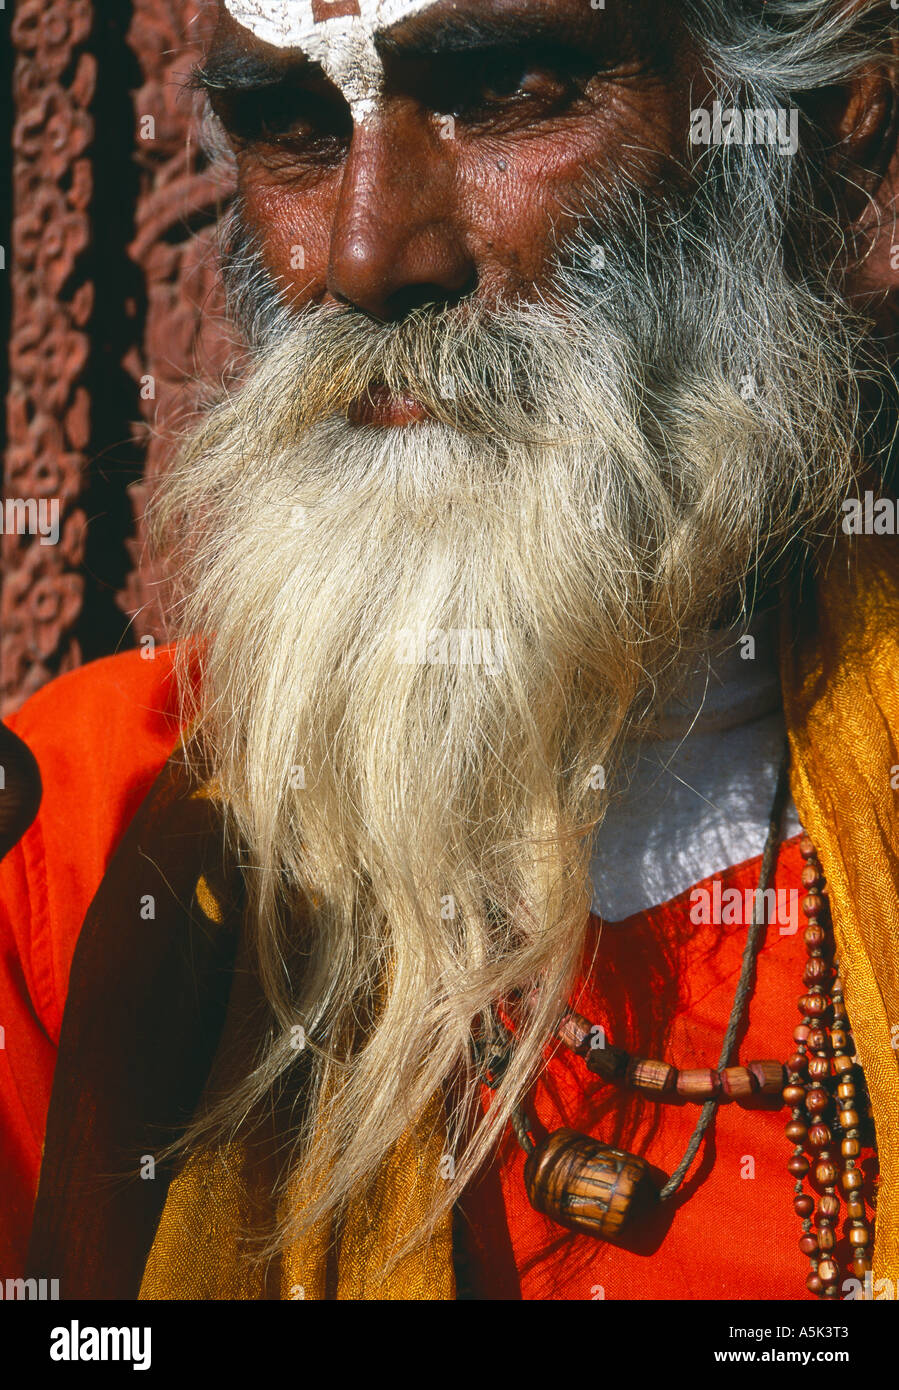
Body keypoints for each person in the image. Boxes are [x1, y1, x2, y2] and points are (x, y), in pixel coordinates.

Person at [2, 0, 899, 1301]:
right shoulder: (92, 840)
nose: (368, 253)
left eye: (507, 88)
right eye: (289, 125)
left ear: (818, 128)